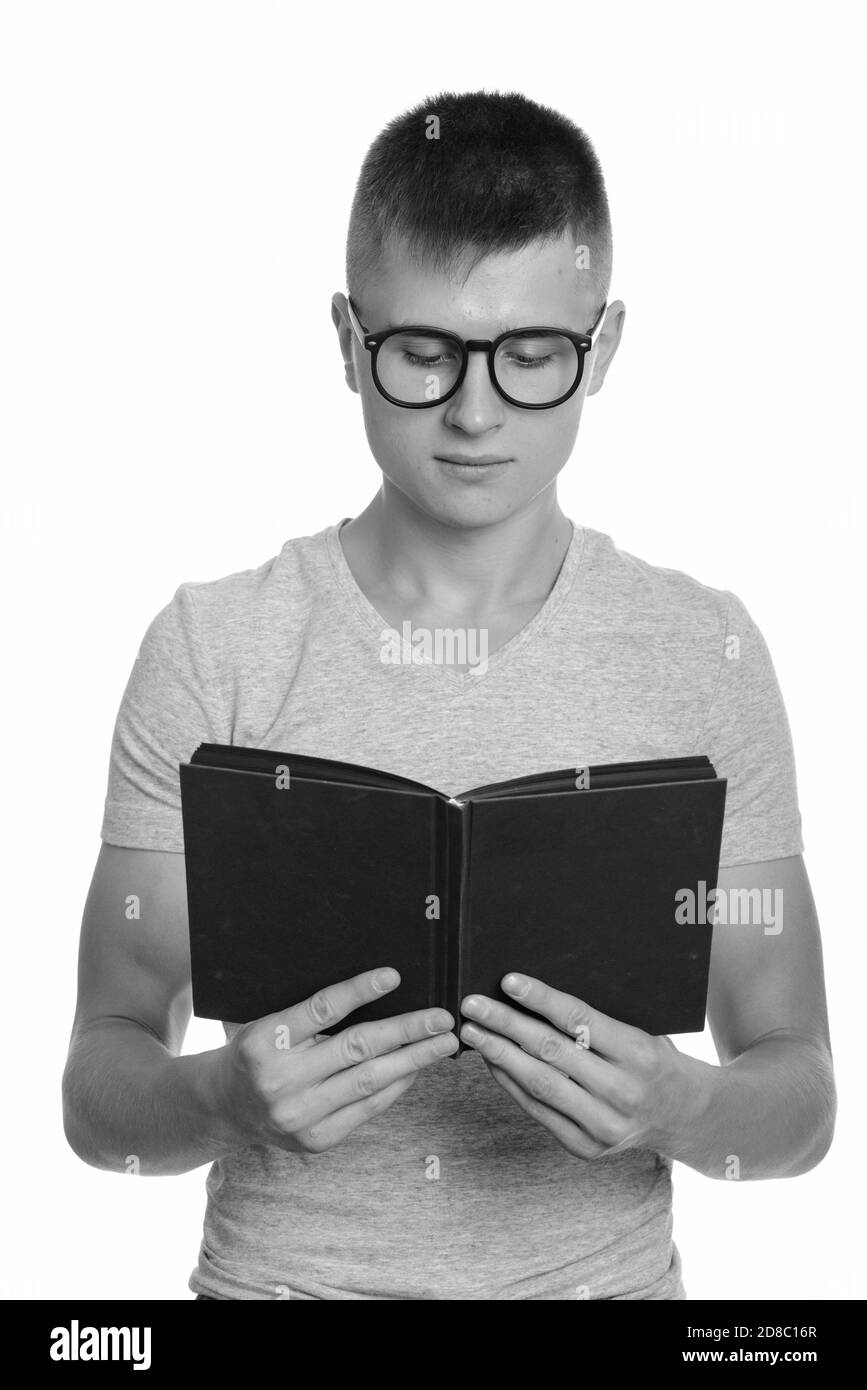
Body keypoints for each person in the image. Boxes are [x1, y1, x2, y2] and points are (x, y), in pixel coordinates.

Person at [62, 90, 836, 1300]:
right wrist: (222, 1098)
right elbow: (99, 1091)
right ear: (347, 339)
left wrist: (678, 1106)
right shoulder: (217, 647)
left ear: (607, 345)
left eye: (531, 356)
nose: (475, 413)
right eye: (423, 353)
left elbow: (798, 1097)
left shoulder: (702, 652)